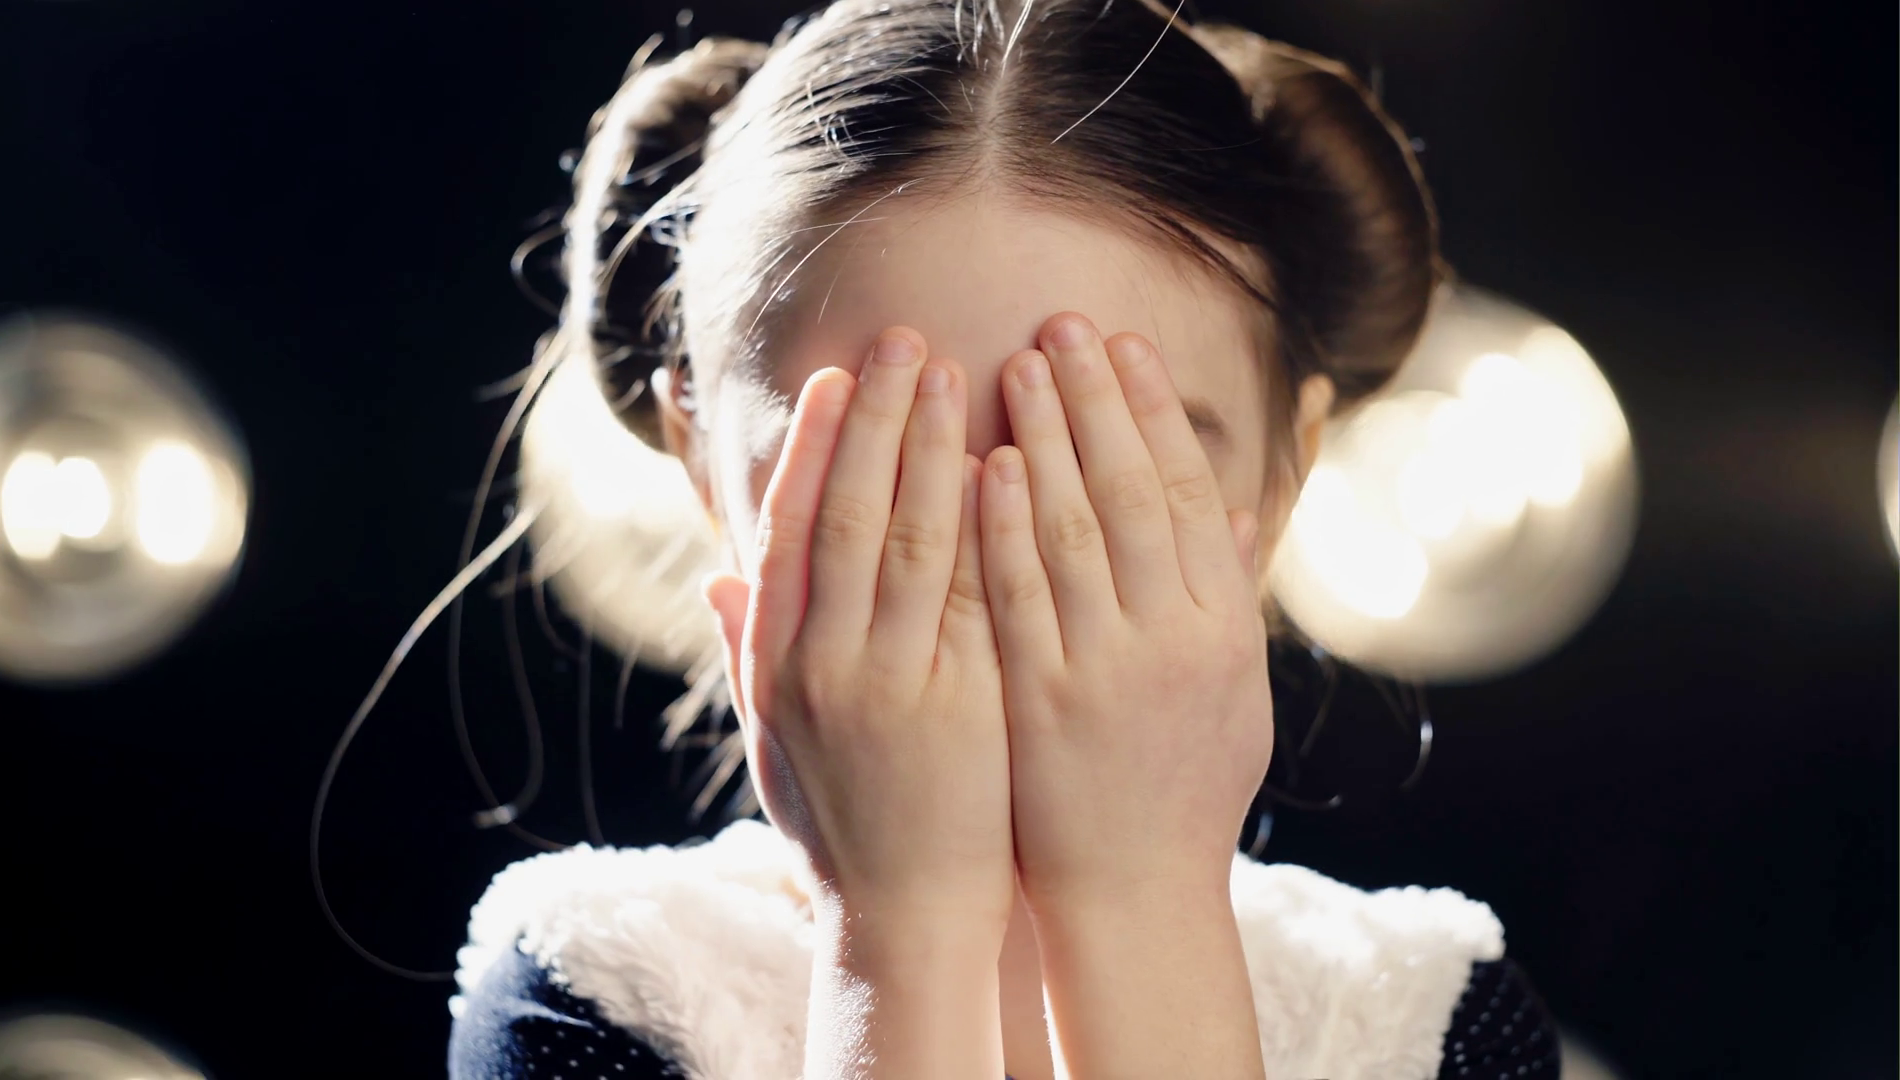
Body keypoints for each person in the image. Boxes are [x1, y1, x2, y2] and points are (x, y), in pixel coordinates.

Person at [447, 1, 1561, 1076]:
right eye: (881, 465)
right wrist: (902, 930)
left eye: (1109, 458)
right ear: (702, 464)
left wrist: (1138, 903)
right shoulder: (599, 993)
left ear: (1283, 476)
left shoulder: (1424, 1019)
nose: (995, 564)